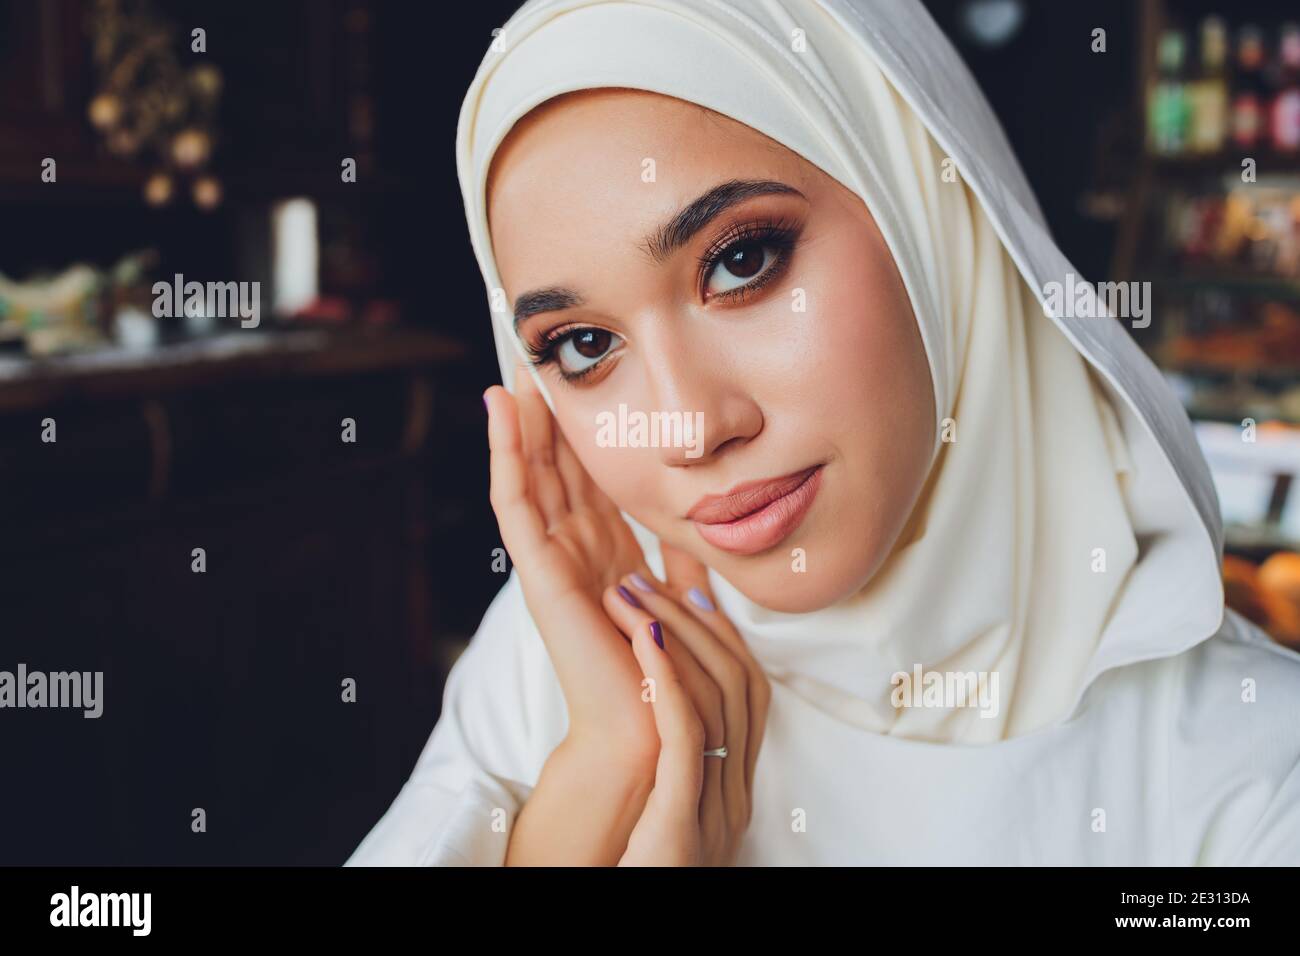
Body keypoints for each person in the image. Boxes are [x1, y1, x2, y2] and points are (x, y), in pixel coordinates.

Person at [346, 0, 1300, 865]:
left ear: (933, 215)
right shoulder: (568, 662)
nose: (690, 428)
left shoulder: (1252, 770)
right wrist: (594, 786)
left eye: (741, 261)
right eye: (584, 344)